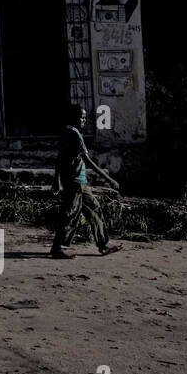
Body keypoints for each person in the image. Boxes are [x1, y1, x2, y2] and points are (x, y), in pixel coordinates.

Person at [50, 104, 122, 259]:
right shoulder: (74, 135)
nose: (83, 120)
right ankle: (58, 248)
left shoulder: (67, 133)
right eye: (81, 117)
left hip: (79, 181)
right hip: (75, 181)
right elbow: (87, 161)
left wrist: (56, 179)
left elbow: (60, 158)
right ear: (73, 118)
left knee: (94, 210)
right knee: (70, 214)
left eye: (84, 117)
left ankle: (103, 244)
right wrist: (109, 179)